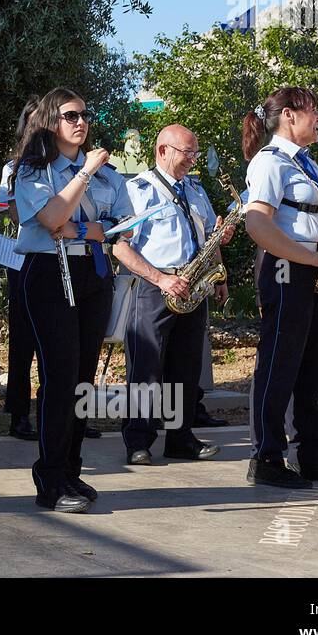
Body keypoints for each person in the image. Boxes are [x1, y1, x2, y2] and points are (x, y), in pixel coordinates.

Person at [12, 88, 122, 512]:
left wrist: (90, 229)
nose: (81, 122)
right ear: (50, 123)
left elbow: (120, 226)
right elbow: (51, 218)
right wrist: (83, 177)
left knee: (82, 378)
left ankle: (72, 471)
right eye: (70, 115)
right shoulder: (33, 169)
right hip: (48, 271)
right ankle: (50, 478)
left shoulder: (107, 173)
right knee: (59, 377)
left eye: (85, 114)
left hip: (91, 270)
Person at [242, 87, 318, 488]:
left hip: (314, 270)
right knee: (278, 365)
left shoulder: (307, 165)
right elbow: (257, 224)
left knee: (311, 369)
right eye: (314, 112)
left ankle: (309, 454)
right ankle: (267, 458)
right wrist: (314, 258)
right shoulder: (270, 163)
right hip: (289, 268)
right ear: (289, 115)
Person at [112, 125, 224, 466]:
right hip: (155, 287)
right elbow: (120, 247)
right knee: (146, 366)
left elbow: (207, 236)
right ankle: (138, 441)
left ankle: (179, 437)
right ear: (163, 151)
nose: (193, 160)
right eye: (186, 153)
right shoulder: (138, 190)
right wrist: (161, 279)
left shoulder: (195, 189)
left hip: (193, 286)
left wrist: (219, 275)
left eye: (195, 153)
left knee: (186, 369)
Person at [1, 98, 41, 441]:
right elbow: (16, 215)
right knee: (22, 340)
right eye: (32, 120)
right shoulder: (13, 168)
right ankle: (18, 413)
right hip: (23, 258)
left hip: (61, 257)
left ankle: (64, 411)